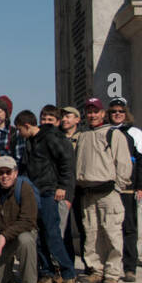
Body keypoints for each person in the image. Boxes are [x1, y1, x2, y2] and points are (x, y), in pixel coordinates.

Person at [16, 107, 76, 283]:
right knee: (39, 236)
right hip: (35, 193)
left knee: (52, 234)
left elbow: (66, 161)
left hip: (50, 191)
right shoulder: (30, 142)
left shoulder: (51, 137)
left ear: (27, 126)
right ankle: (48, 273)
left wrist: (63, 186)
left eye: (20, 129)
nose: (19, 133)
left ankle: (68, 274)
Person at [75, 97, 133, 283]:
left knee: (111, 233)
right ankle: (96, 270)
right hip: (88, 193)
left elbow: (124, 163)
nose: (92, 115)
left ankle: (112, 272)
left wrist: (118, 186)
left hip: (108, 191)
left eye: (95, 111)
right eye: (89, 111)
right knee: (91, 234)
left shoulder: (113, 135)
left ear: (102, 113)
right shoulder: (82, 136)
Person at [108, 97, 142, 283]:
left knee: (129, 229)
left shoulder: (135, 133)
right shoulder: (106, 132)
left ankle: (130, 267)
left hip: (128, 189)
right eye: (114, 111)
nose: (117, 114)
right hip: (108, 189)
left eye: (121, 111)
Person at [60, 104, 85, 271]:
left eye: (68, 116)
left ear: (77, 119)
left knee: (84, 226)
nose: (64, 119)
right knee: (65, 227)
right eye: (63, 116)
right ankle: (67, 264)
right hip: (64, 187)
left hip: (82, 187)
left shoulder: (84, 137)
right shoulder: (58, 137)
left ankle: (88, 265)